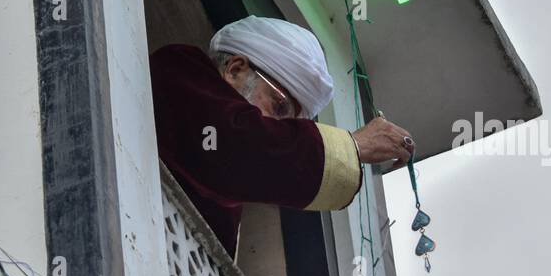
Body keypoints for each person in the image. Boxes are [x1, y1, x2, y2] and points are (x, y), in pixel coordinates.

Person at [150, 15, 414, 256]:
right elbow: (239, 144)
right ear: (235, 70)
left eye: (288, 125)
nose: (275, 128)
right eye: (278, 108)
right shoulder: (179, 67)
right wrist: (352, 146)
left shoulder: (233, 178)